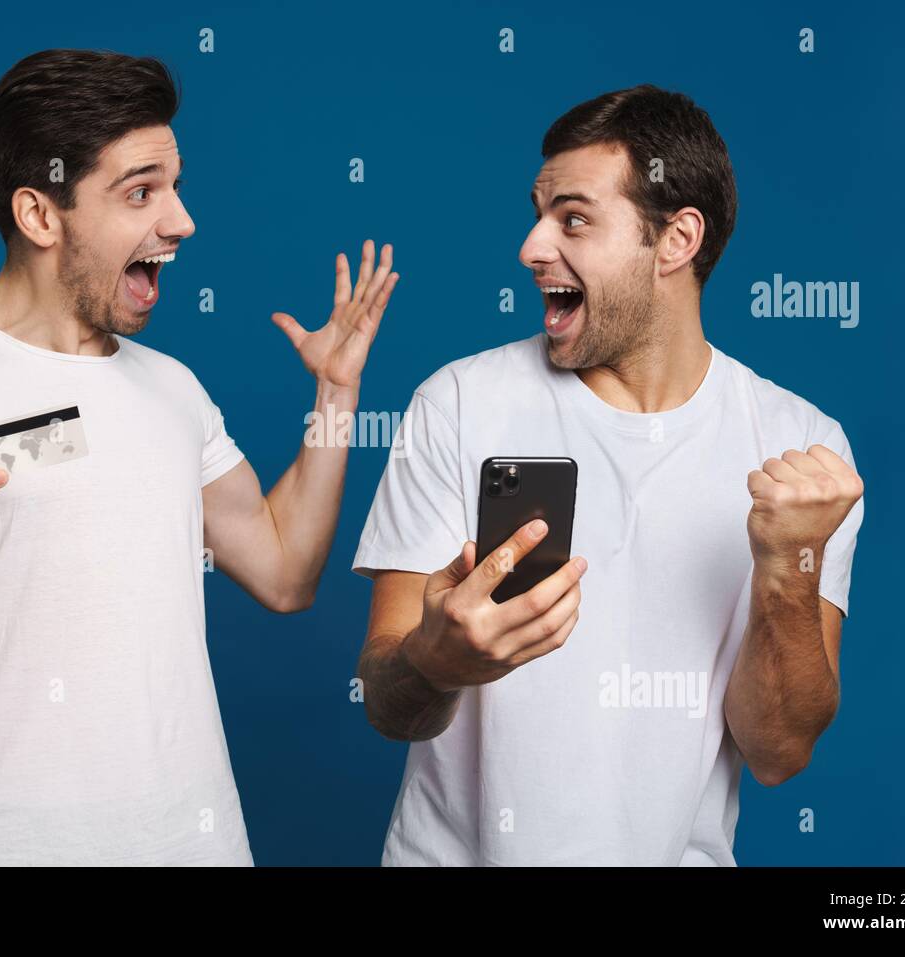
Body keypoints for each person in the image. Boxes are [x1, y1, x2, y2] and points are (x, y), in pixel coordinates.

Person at [0, 49, 398, 866]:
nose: (181, 223)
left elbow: (286, 571)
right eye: (141, 192)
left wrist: (336, 398)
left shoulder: (172, 388)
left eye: (174, 187)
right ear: (40, 215)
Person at [353, 84, 863, 866]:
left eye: (574, 219)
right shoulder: (456, 403)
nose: (531, 247)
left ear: (675, 241)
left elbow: (777, 751)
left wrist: (787, 570)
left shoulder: (801, 449)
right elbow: (389, 705)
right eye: (537, 212)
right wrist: (435, 659)